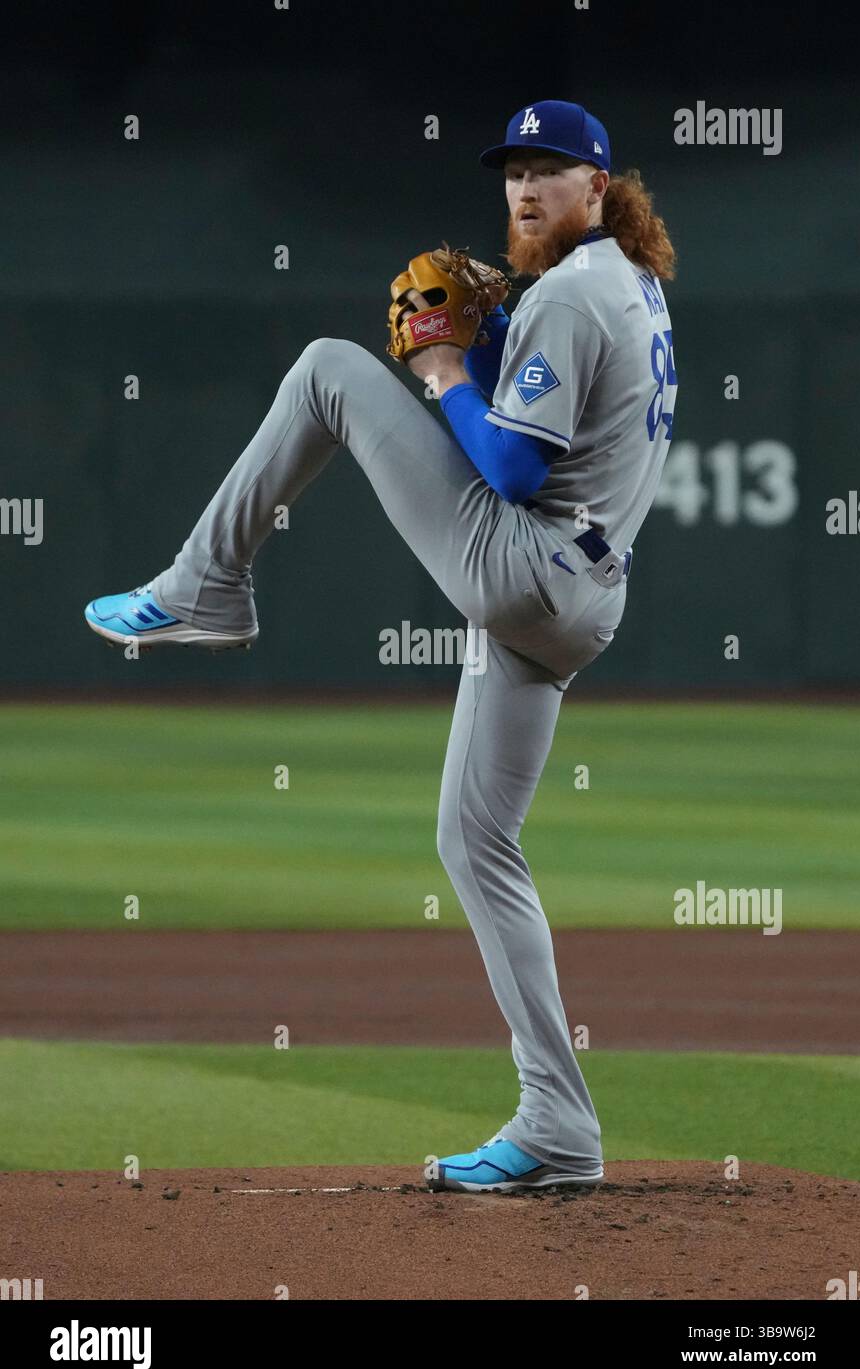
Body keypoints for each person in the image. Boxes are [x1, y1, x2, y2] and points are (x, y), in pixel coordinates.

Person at [85, 99, 677, 1194]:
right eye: (513, 170)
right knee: (474, 844)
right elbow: (556, 423)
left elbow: (511, 473)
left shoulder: (574, 291)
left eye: (550, 170)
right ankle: (559, 1124)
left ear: (597, 189)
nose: (523, 188)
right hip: (582, 599)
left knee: (324, 368)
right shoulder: (627, 288)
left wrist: (448, 368)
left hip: (526, 564)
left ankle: (203, 583)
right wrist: (492, 337)